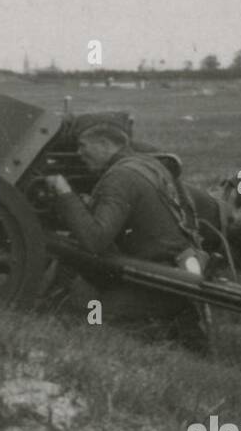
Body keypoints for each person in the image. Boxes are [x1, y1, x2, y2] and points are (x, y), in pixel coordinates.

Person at [44, 115, 211, 351]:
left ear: (105, 144)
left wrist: (64, 193)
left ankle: (170, 327)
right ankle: (174, 318)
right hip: (174, 269)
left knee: (93, 321)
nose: (79, 154)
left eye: (83, 146)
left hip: (159, 280)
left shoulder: (119, 178)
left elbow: (95, 240)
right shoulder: (144, 164)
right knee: (83, 305)